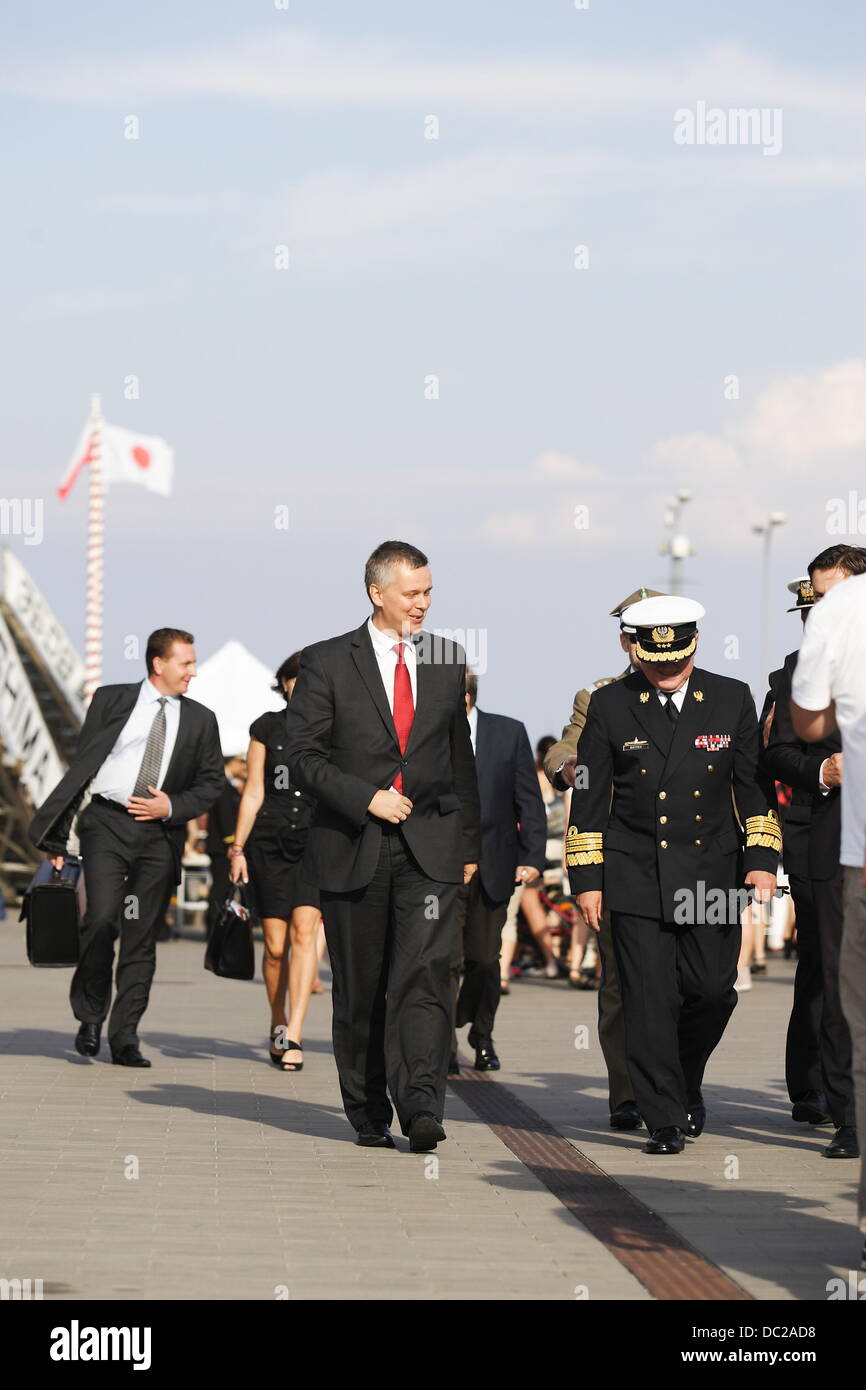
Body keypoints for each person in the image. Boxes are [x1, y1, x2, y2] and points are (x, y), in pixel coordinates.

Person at [286, 540, 480, 1153]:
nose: (423, 603)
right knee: (362, 986)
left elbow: (459, 758)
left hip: (432, 848)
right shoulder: (325, 662)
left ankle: (421, 1105)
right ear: (377, 593)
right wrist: (365, 796)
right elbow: (304, 756)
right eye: (411, 593)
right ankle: (367, 1110)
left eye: (429, 592)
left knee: (424, 975)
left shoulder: (448, 661)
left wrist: (468, 842)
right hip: (354, 844)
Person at [567, 595, 780, 1154]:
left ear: (694, 645)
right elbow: (588, 795)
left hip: (712, 875)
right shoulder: (611, 705)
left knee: (712, 993)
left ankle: (683, 1080)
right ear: (635, 650)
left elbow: (751, 787)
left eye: (676, 660)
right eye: (655, 661)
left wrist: (760, 861)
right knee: (648, 999)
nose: (666, 672)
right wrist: (587, 879)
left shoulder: (732, 698)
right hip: (635, 874)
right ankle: (662, 1114)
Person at [30, 628, 225, 1066]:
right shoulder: (111, 700)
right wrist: (57, 835)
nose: (193, 671)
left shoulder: (200, 719)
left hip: (159, 837)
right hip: (107, 825)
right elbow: (82, 766)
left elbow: (212, 782)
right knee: (100, 919)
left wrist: (172, 805)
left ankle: (125, 1037)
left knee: (140, 935)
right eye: (186, 663)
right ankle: (90, 1015)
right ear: (158, 663)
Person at [544, 587, 663, 1131]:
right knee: (621, 981)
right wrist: (573, 768)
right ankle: (629, 1093)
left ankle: (675, 1082)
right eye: (636, 632)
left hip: (694, 861)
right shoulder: (599, 697)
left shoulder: (714, 694)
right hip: (619, 854)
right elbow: (563, 750)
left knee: (695, 985)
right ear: (624, 640)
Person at [765, 548, 866, 1158]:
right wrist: (823, 769)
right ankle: (846, 1116)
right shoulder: (798, 674)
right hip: (831, 838)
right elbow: (774, 752)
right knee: (833, 975)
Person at [229, 654, 322, 1073]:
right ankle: (277, 1021)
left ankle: (296, 1032)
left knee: (306, 933)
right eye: (294, 679)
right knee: (274, 947)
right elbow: (253, 791)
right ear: (282, 683)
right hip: (269, 843)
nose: (300, 686)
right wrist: (238, 848)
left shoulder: (333, 731)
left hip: (317, 843)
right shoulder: (266, 727)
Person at [450, 671, 545, 1071]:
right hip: (443, 867)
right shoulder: (428, 734)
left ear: (467, 700)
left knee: (485, 960)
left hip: (495, 865)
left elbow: (529, 800)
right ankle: (441, 1046)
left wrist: (532, 857)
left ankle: (481, 1034)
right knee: (444, 961)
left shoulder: (508, 733)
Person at [205, 754, 245, 939]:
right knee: (220, 889)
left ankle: (217, 925)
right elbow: (225, 817)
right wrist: (231, 842)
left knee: (222, 888)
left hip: (223, 846)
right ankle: (214, 926)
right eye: (240, 762)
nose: (242, 766)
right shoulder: (223, 785)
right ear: (231, 762)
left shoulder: (228, 785)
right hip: (223, 847)